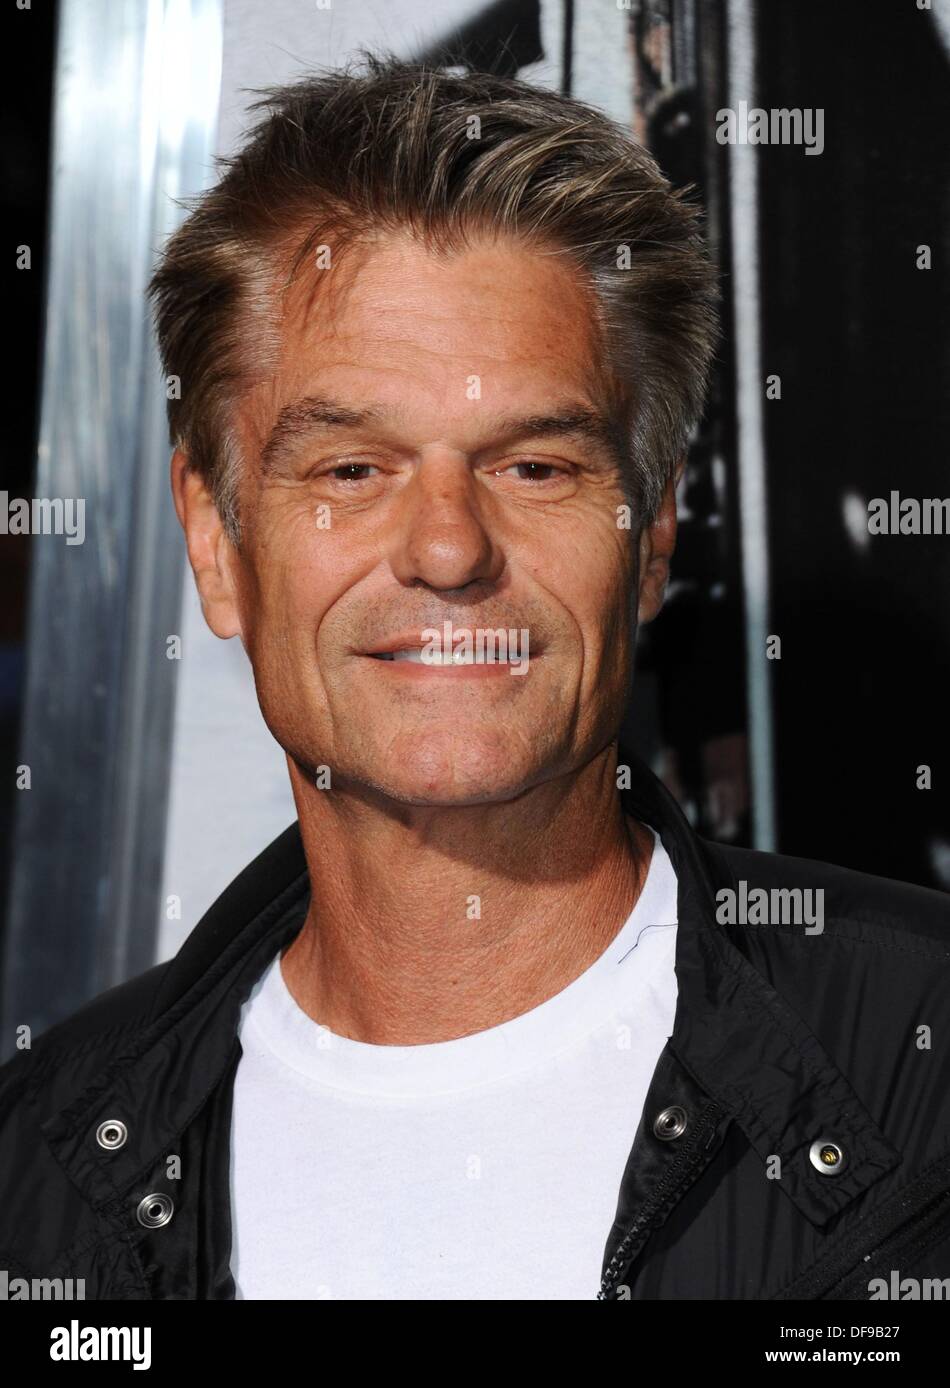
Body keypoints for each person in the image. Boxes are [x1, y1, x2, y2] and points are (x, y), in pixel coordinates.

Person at [1, 55, 948, 1302]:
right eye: (350, 469)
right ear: (217, 543)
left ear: (652, 534)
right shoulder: (36, 1177)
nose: (447, 547)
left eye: (533, 467)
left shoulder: (920, 1068)